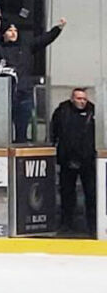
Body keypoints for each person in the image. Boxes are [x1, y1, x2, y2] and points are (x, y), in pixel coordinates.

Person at [50, 88, 97, 236]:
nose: (82, 101)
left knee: (91, 194)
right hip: (67, 160)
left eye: (84, 99)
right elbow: (55, 132)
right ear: (72, 99)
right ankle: (66, 224)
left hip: (87, 161)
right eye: (78, 98)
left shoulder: (93, 112)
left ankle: (92, 225)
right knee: (67, 194)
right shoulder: (62, 112)